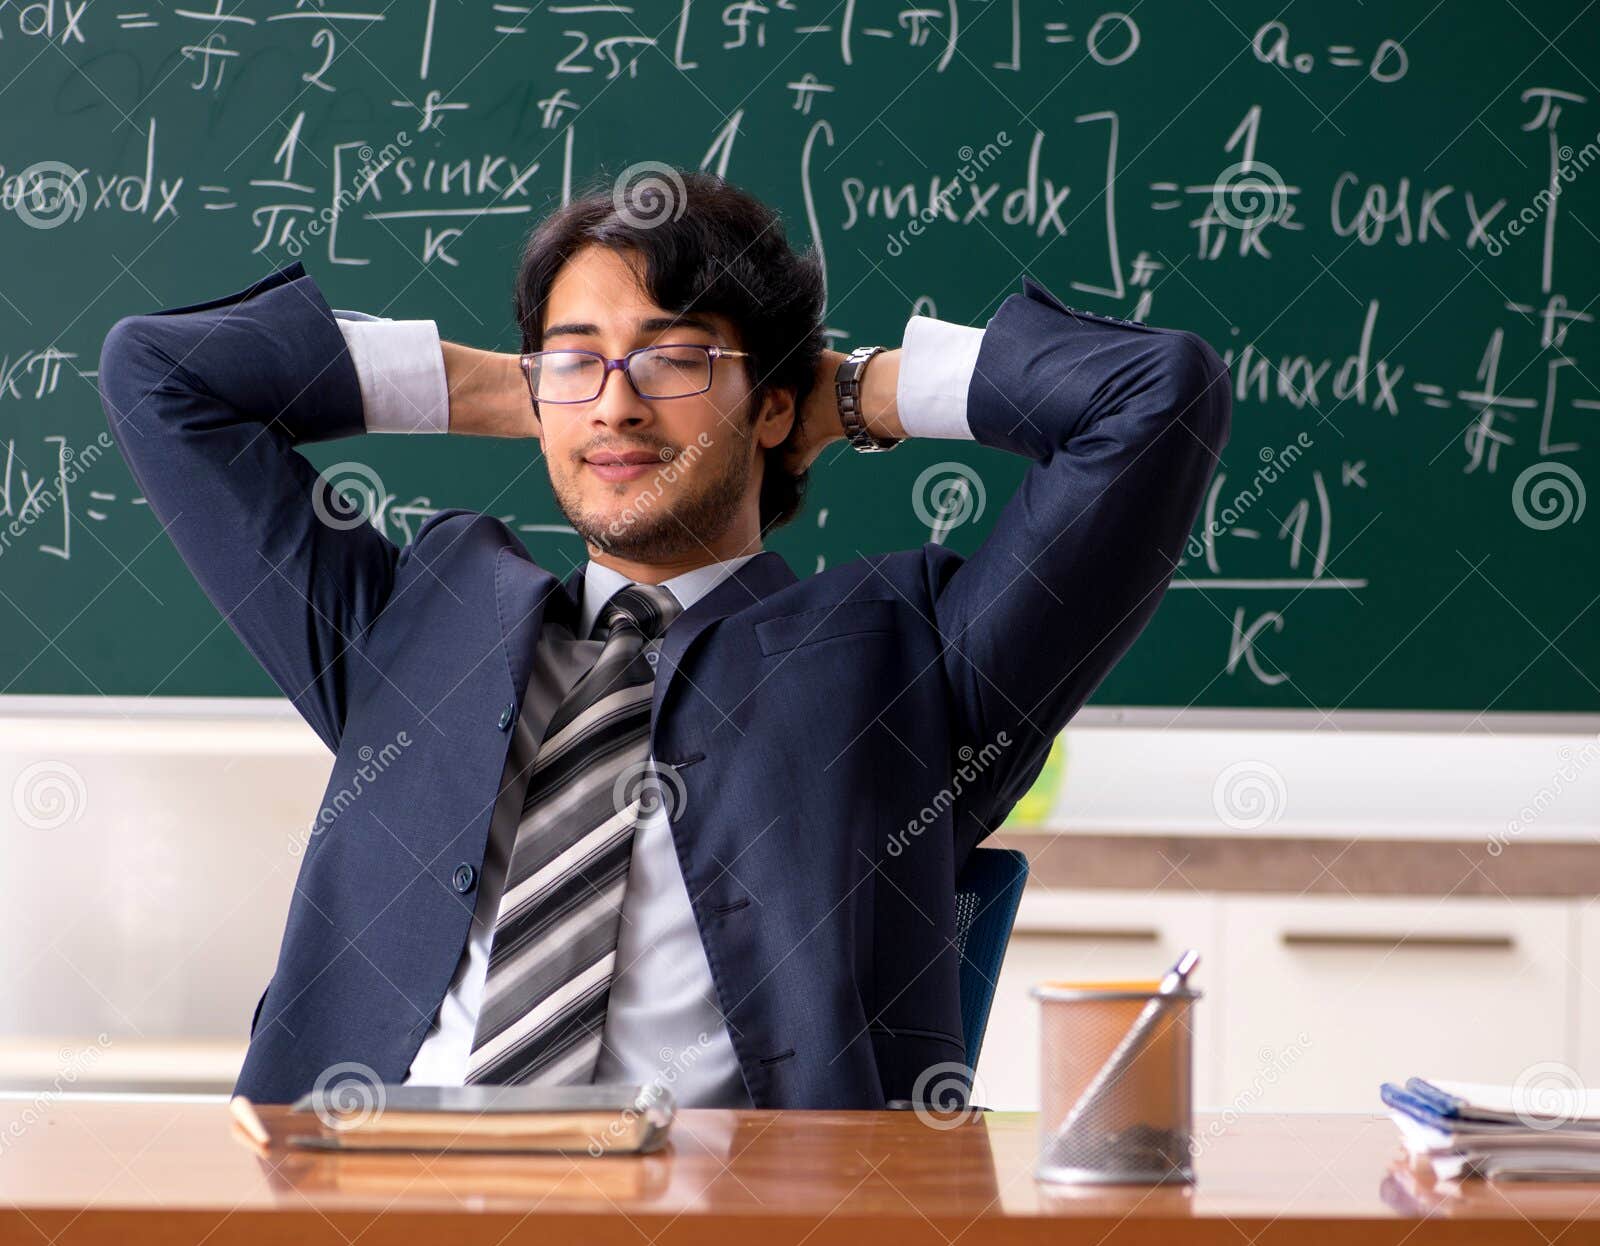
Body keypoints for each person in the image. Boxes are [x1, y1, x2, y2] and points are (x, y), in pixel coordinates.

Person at [97, 171, 1230, 1108]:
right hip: (371, 1210)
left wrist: (852, 393)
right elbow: (161, 376)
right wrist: (521, 390)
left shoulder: (908, 659)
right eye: (577, 355)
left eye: (677, 358)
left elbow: (1152, 397)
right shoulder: (419, 621)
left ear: (772, 405)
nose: (619, 406)